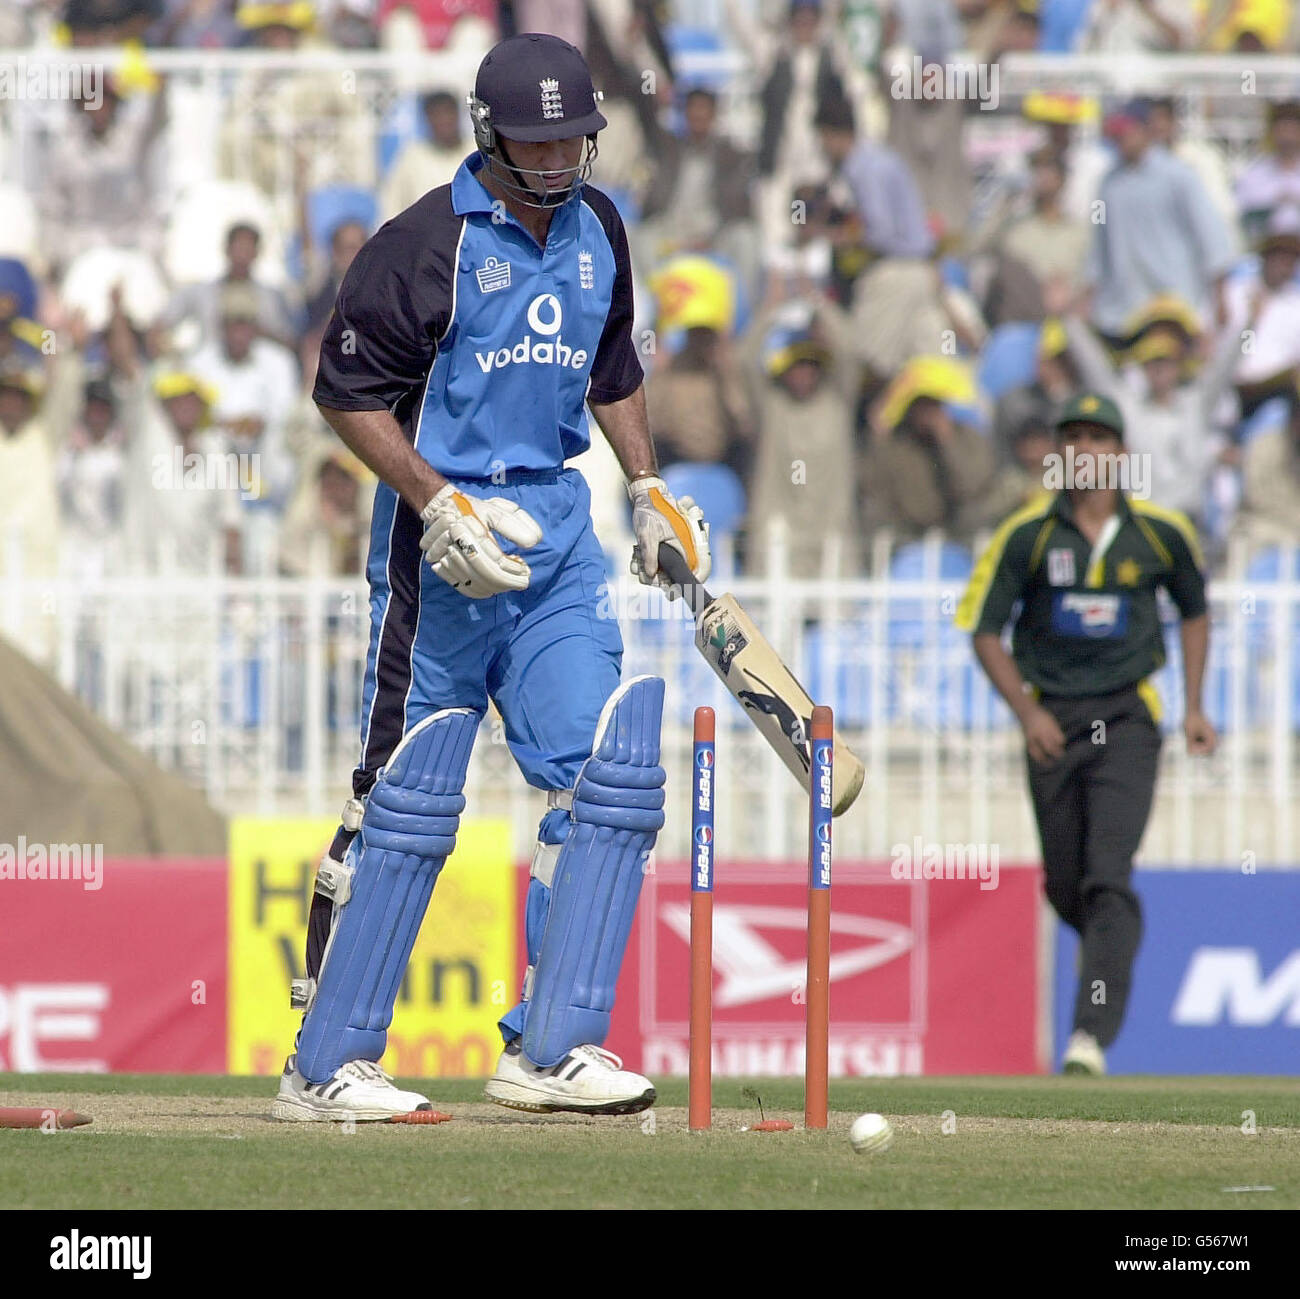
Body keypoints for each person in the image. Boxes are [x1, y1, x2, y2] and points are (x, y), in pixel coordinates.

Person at [272, 33, 712, 1123]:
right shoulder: (423, 245)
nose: (560, 158)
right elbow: (345, 392)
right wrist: (433, 501)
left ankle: (551, 1050)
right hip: (447, 538)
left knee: (606, 778)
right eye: (538, 139)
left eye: (576, 139)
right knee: (410, 792)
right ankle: (324, 1066)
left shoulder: (600, 229)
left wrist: (647, 486)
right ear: (489, 132)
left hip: (558, 528)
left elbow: (611, 370)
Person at [956, 392, 1216, 1074]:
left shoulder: (1160, 532)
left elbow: (1195, 610)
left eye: (1099, 438)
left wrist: (1194, 706)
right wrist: (1029, 713)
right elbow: (983, 628)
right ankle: (1113, 936)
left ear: (1122, 457)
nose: (1085, 451)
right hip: (1054, 720)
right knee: (1064, 881)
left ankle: (1088, 1036)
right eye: (1072, 438)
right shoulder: (1027, 534)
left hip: (1130, 715)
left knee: (1107, 873)